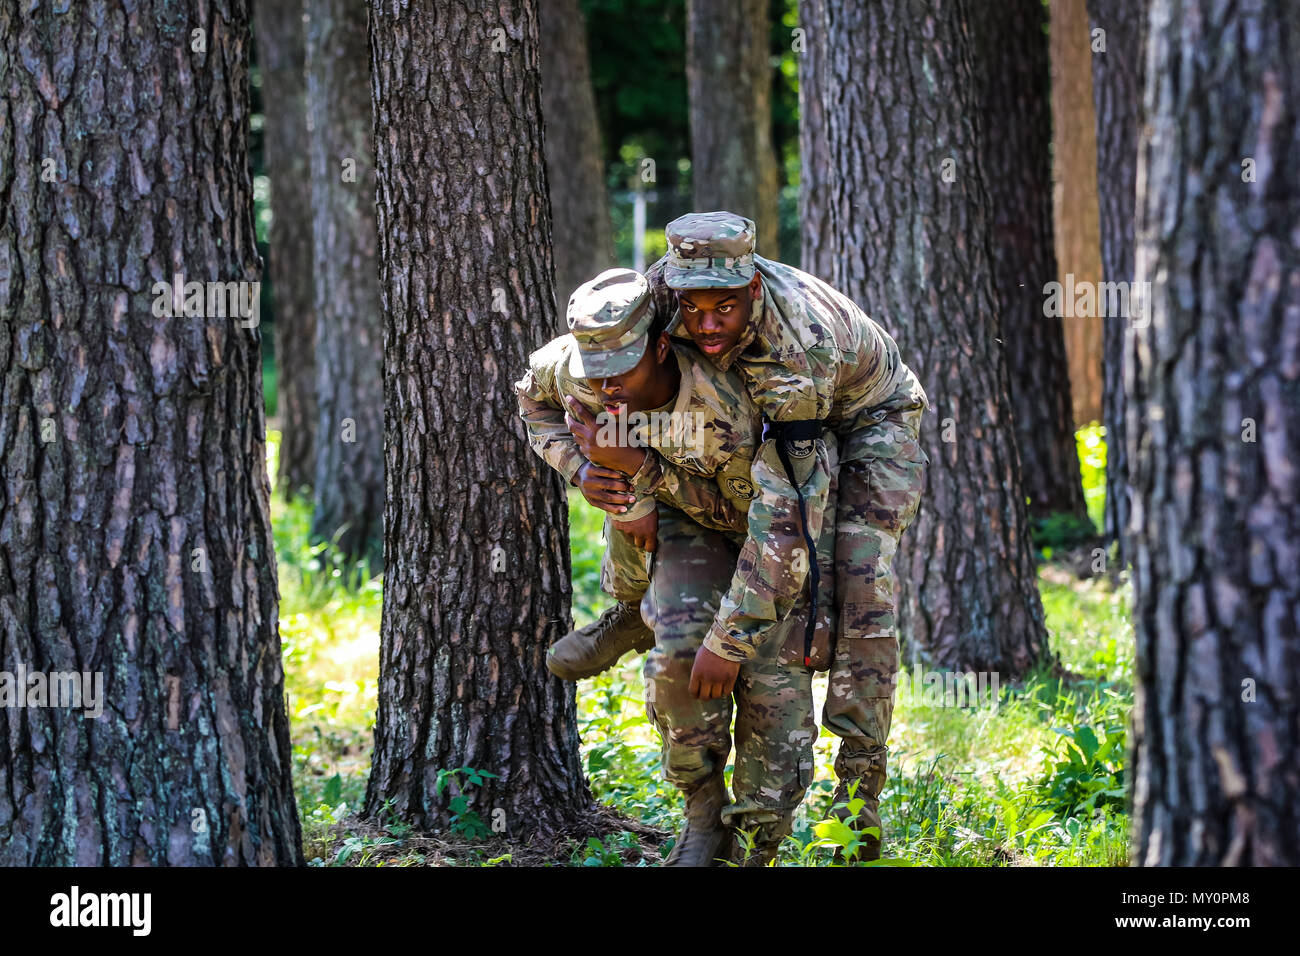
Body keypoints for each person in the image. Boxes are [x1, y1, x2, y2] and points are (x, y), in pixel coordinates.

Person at [514, 268, 835, 864]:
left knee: (775, 716)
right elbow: (532, 400)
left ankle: (754, 848)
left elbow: (763, 523)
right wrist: (586, 471)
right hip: (682, 523)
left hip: (769, 535)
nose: (606, 389)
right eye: (595, 374)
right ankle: (701, 814)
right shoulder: (575, 366)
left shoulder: (727, 404)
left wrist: (730, 638)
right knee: (679, 665)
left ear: (661, 346)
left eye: (622, 372)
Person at [637, 211, 930, 861]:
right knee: (767, 594)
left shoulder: (797, 350)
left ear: (752, 288)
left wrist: (734, 635)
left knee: (858, 590)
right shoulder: (655, 300)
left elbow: (790, 517)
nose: (706, 324)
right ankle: (709, 815)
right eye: (694, 307)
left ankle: (859, 798)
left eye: (726, 307)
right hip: (755, 440)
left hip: (866, 425)